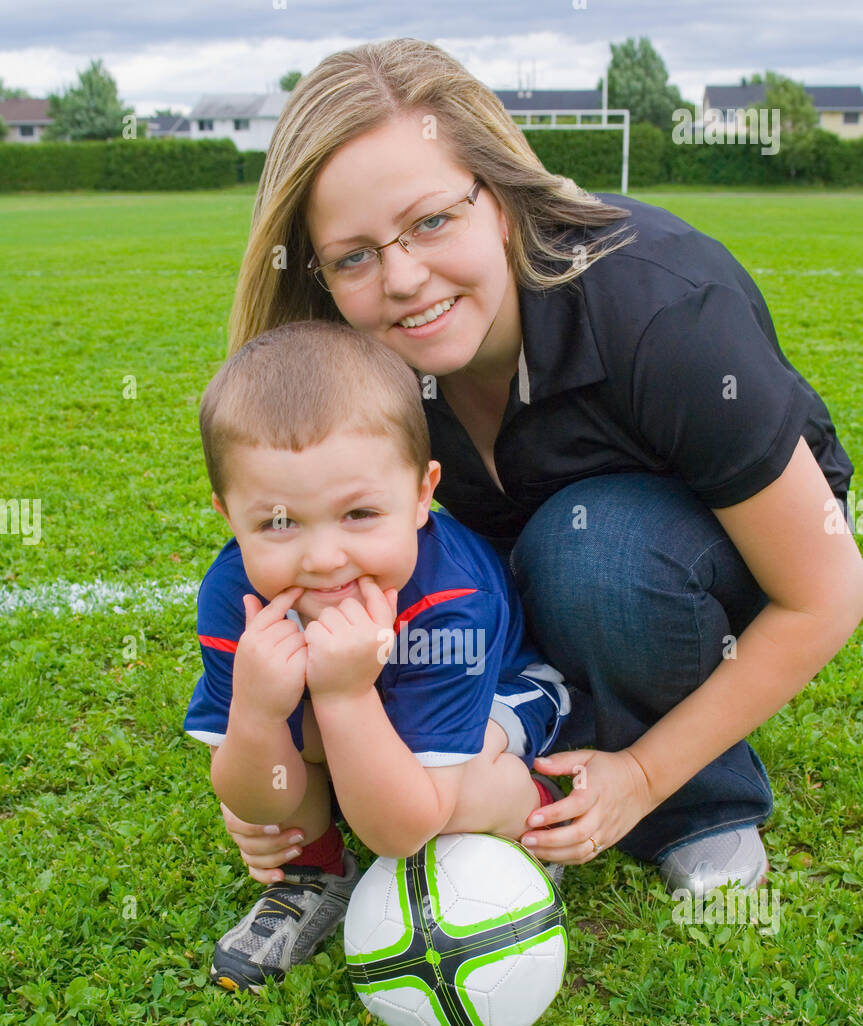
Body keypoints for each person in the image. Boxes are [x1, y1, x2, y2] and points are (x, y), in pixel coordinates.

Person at [217, 37, 863, 901]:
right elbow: (304, 546)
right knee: (452, 561)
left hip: (717, 541)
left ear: (504, 197)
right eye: (356, 256)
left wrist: (642, 772)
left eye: (432, 221)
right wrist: (270, 750)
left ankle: (701, 808)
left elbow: (824, 593)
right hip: (534, 541)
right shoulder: (352, 365)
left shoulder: (661, 315)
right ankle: (523, 729)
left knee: (587, 558)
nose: (404, 278)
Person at [184, 319, 571, 990]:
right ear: (228, 516)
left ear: (422, 493)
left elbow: (404, 830)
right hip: (364, 705)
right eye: (278, 523)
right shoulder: (236, 595)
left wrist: (342, 694)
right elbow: (250, 795)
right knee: (272, 756)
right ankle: (315, 875)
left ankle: (527, 811)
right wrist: (252, 716)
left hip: (498, 694)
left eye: (359, 514)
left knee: (459, 787)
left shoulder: (451, 601)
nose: (324, 557)